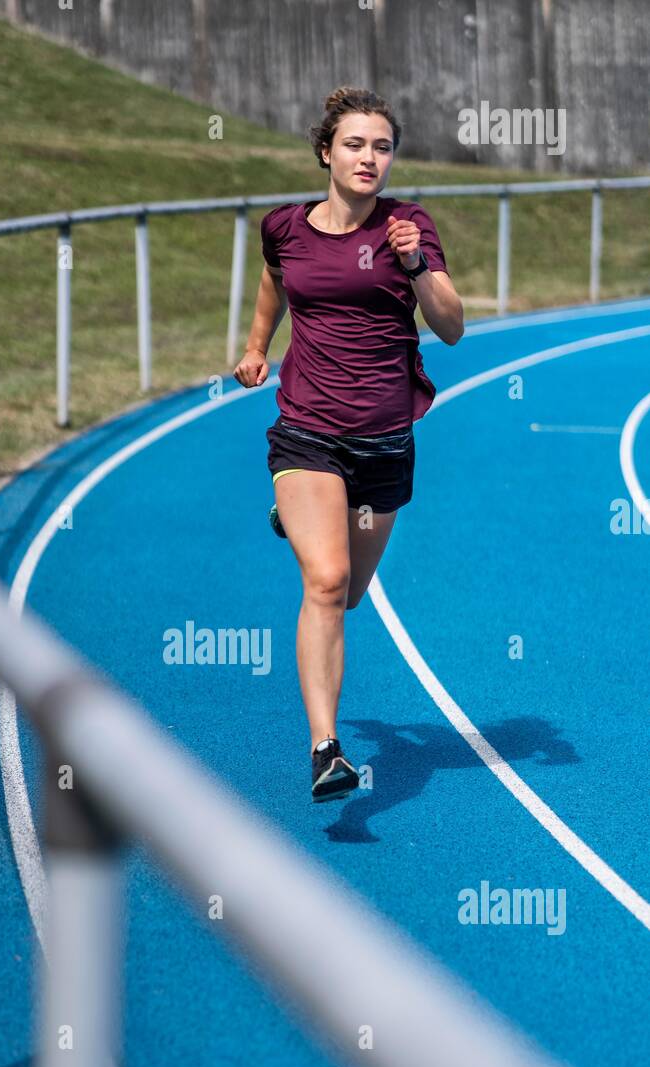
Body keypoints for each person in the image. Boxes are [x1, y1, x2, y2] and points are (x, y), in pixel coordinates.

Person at [234, 86, 463, 803]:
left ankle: (299, 520)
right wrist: (253, 348)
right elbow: (276, 281)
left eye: (383, 146)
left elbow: (452, 327)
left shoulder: (407, 226)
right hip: (307, 431)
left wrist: (418, 265)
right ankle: (326, 749)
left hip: (385, 442)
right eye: (357, 144)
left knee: (354, 592)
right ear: (326, 152)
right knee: (326, 582)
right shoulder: (284, 227)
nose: (370, 158)